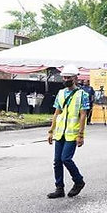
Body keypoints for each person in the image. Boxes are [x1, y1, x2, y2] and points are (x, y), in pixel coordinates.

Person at [46, 65, 90, 199]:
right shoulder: (60, 93)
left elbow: (83, 115)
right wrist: (51, 131)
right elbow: (56, 113)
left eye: (68, 77)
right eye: (64, 77)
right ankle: (59, 188)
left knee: (66, 158)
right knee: (57, 161)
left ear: (75, 78)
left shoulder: (82, 95)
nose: (66, 79)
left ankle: (78, 181)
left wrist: (81, 135)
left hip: (73, 133)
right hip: (60, 132)